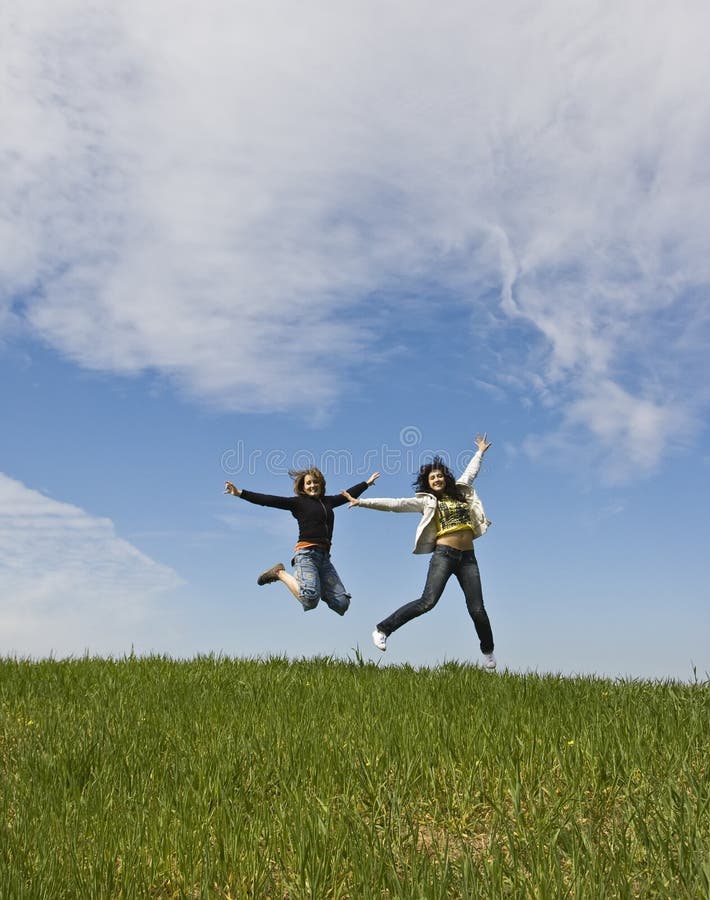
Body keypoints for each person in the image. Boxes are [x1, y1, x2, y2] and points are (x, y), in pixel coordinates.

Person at [342, 434, 497, 669]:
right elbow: (396, 504)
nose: (436, 479)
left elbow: (471, 472)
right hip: (444, 554)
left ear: (445, 478)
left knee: (477, 609)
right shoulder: (427, 502)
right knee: (427, 602)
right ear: (428, 483)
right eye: (432, 478)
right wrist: (362, 502)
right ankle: (382, 629)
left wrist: (480, 452)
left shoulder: (460, 491)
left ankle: (488, 650)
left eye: (439, 475)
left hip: (468, 558)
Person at [224, 468, 380, 616]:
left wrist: (366, 483)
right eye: (308, 483)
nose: (312, 485)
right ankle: (279, 573)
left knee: (342, 604)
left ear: (321, 484)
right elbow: (269, 500)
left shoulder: (328, 501)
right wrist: (240, 493)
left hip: (324, 558)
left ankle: (316, 585)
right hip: (306, 555)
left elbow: (348, 495)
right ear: (303, 487)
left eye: (315, 482)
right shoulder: (298, 503)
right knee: (310, 600)